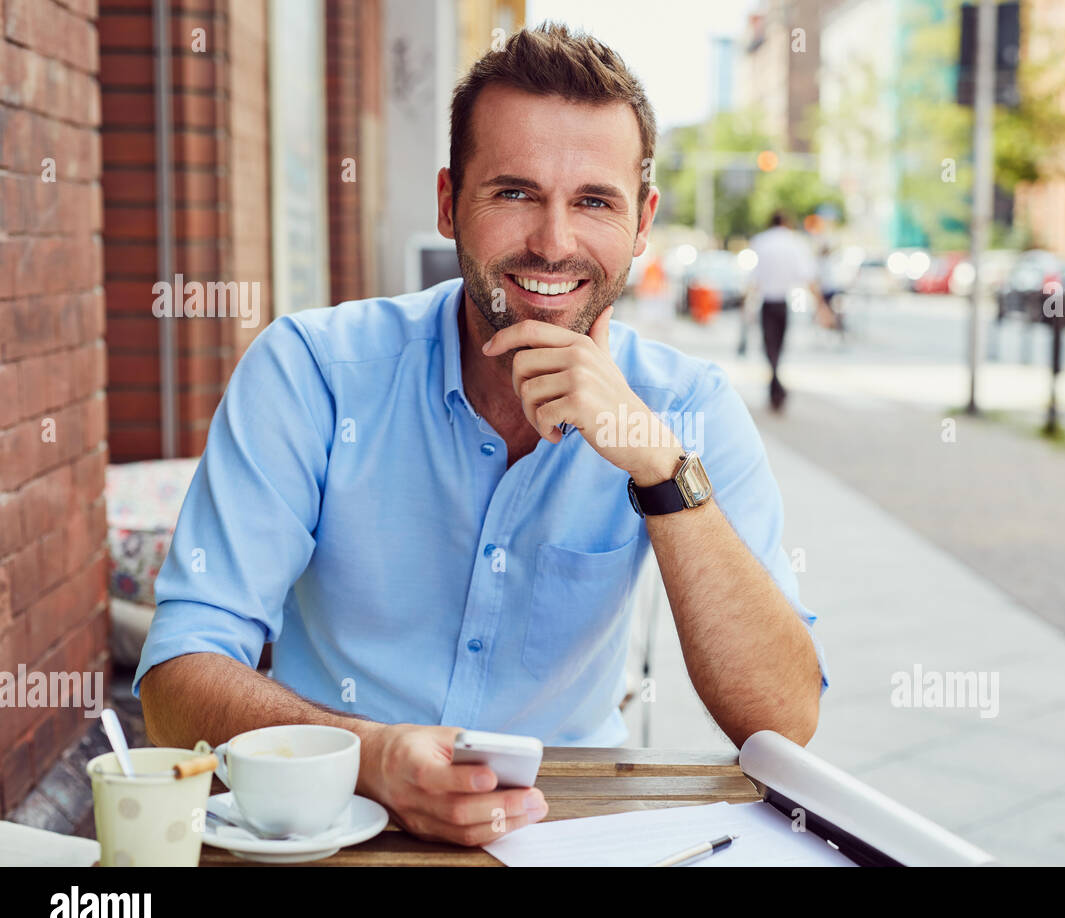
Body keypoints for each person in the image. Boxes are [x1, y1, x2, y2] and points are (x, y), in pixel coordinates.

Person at [133, 22, 827, 849]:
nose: (554, 243)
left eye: (594, 201)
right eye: (514, 193)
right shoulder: (313, 370)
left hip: (567, 830)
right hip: (333, 823)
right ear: (447, 201)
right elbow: (176, 682)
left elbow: (783, 722)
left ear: (642, 222)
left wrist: (659, 467)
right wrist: (371, 757)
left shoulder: (690, 409)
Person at [746, 212, 833, 410]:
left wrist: (747, 304)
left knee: (770, 348)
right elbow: (808, 277)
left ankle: (775, 387)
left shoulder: (761, 241)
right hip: (783, 303)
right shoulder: (794, 243)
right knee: (779, 346)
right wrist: (821, 306)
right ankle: (776, 388)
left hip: (767, 302)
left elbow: (754, 278)